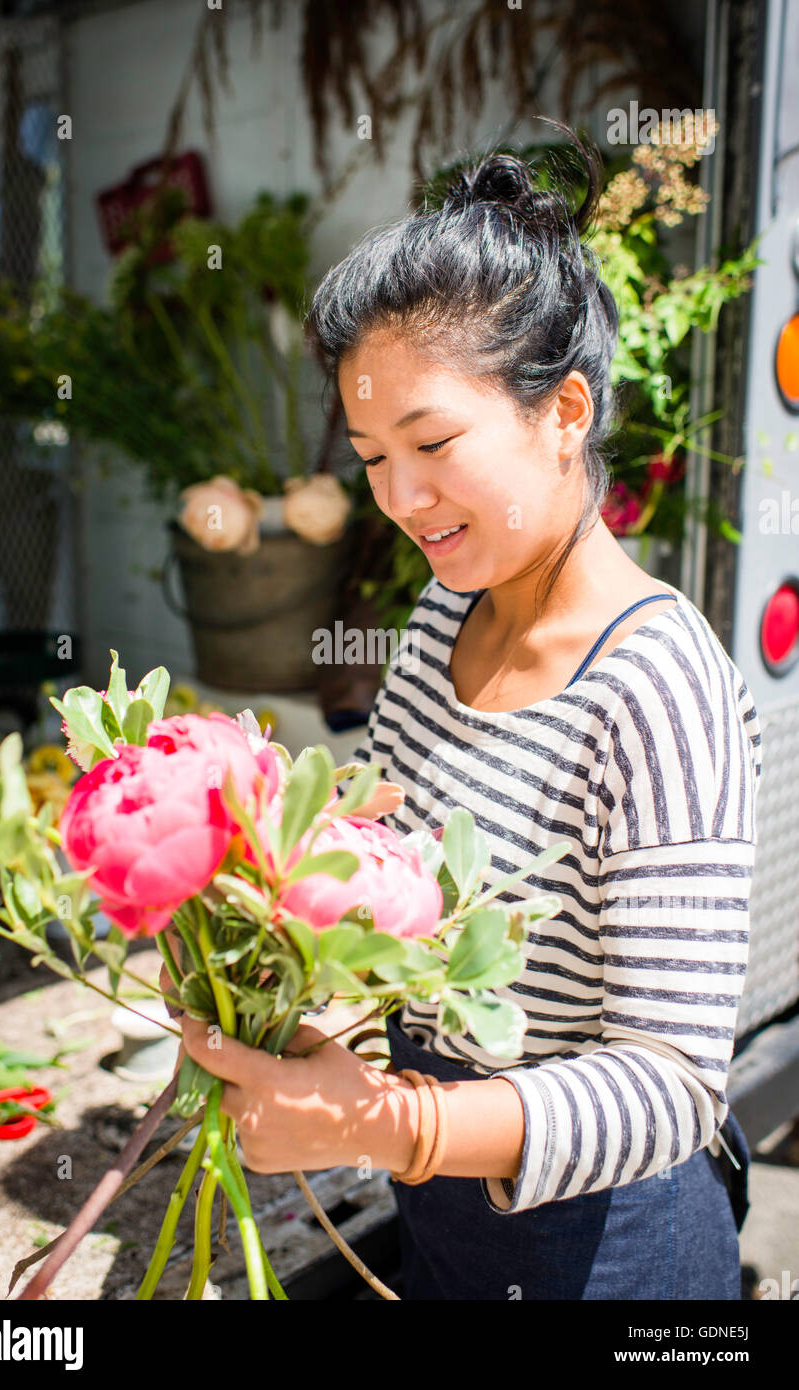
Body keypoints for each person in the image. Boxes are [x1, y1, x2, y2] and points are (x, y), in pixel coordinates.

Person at [173, 122, 763, 1300]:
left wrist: (393, 1126)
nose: (399, 497)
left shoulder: (659, 685)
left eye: (434, 443)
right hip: (448, 1224)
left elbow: (668, 1085)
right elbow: (391, 876)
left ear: (565, 412)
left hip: (607, 1252)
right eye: (371, 456)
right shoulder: (448, 618)